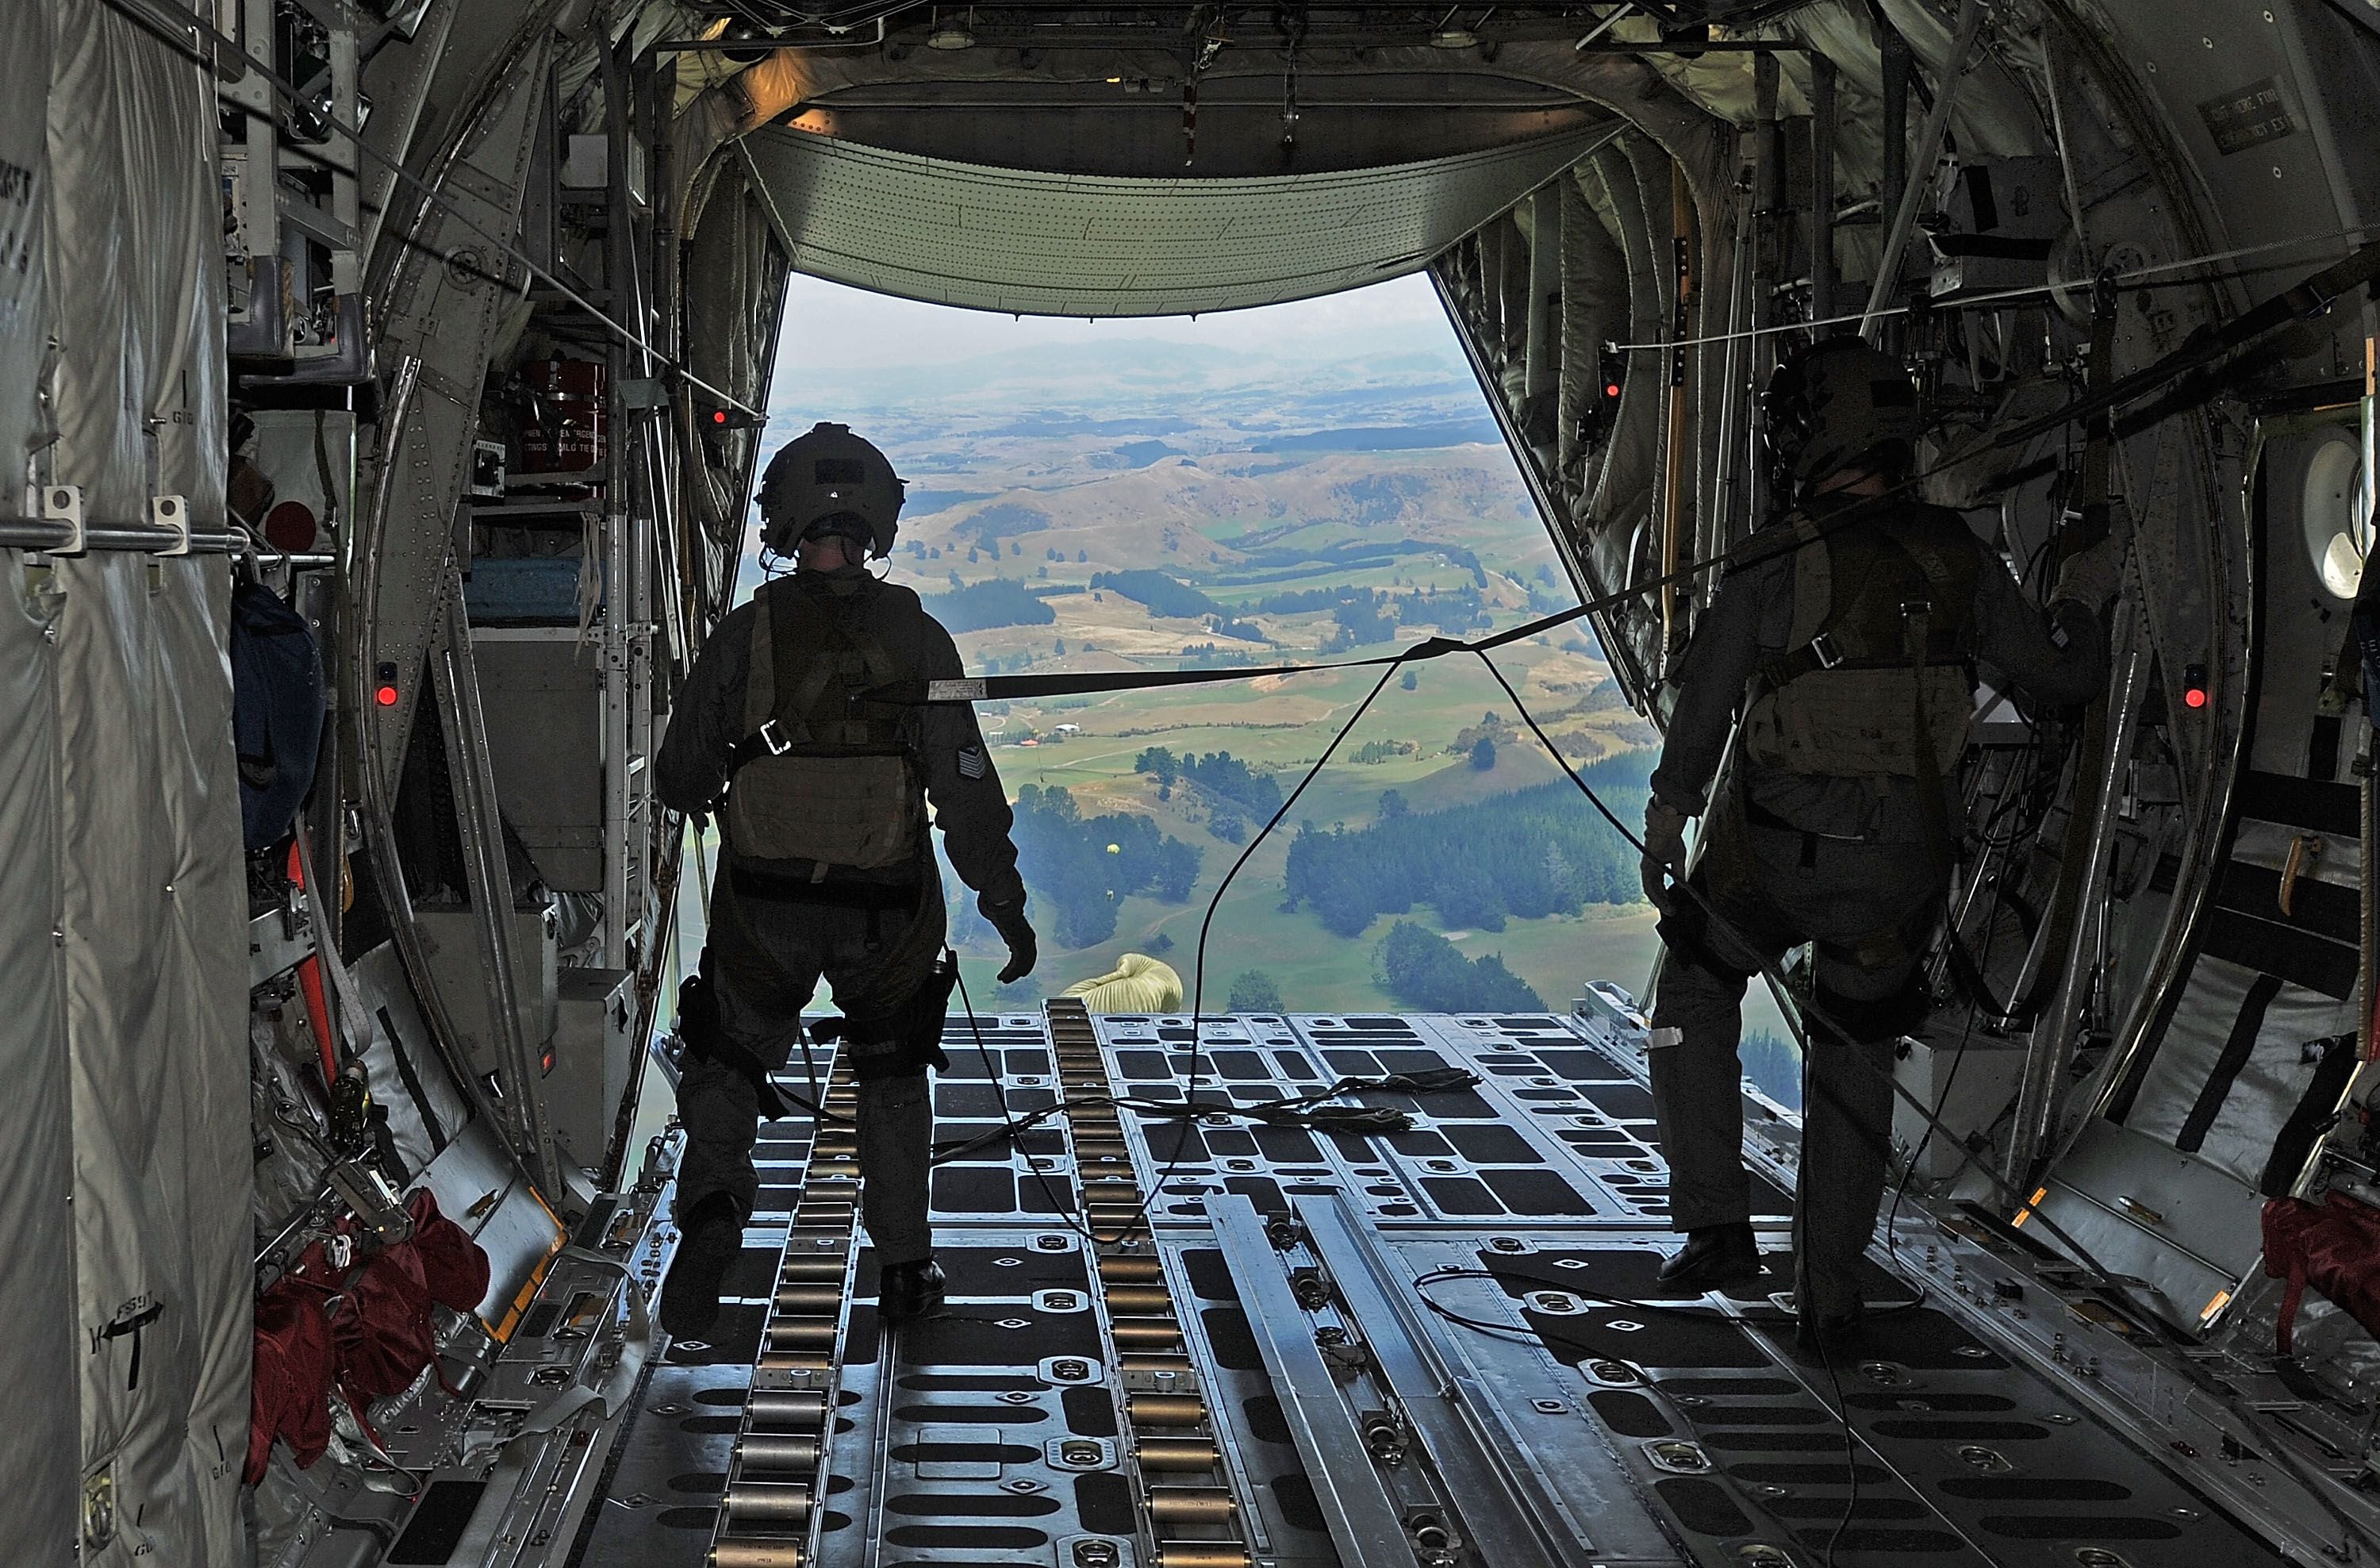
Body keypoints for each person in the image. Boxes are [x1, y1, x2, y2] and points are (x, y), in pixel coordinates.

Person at [1639, 337, 2124, 1344]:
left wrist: (1666, 820)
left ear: (1813, 435)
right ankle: (1829, 1295)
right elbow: (2067, 678)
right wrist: (2081, 589)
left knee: (1690, 988)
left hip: (1778, 859)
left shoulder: (1779, 558)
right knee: (1855, 1051)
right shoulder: (1963, 558)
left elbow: (1708, 703)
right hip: (1900, 870)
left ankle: (1718, 1223)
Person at [654, 422, 1036, 1335]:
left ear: (784, 523)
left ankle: (713, 1210)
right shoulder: (918, 635)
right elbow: (965, 789)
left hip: (765, 904)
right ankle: (905, 1269)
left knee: (731, 1057)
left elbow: (678, 776)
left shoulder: (747, 635)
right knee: (894, 1073)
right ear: (878, 522)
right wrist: (1006, 903)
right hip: (885, 911)